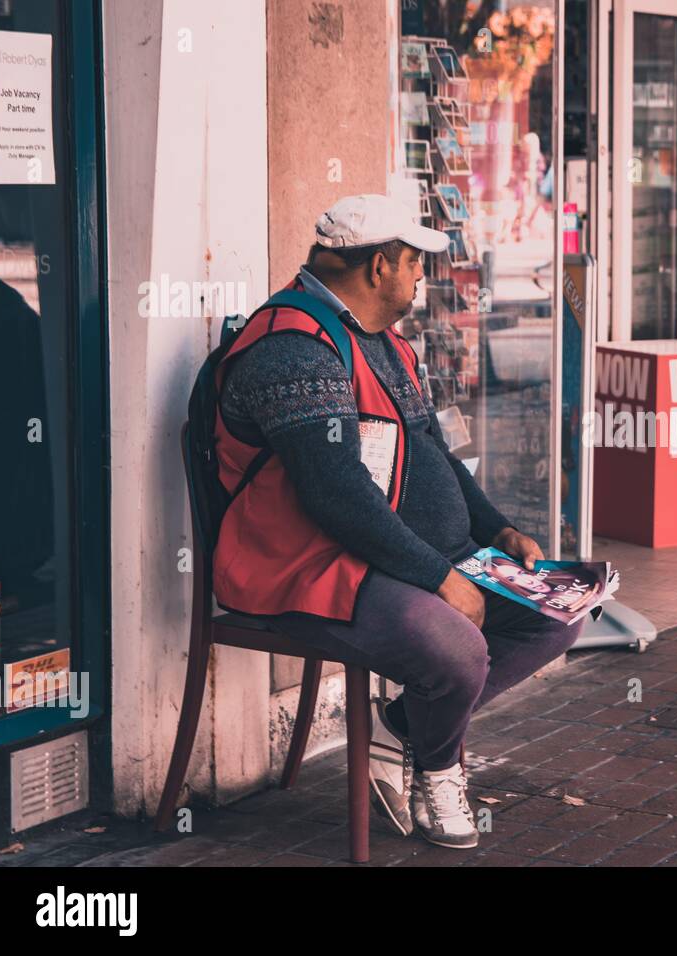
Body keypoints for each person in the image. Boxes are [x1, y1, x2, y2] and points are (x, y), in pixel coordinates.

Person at [212, 194, 583, 849]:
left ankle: (401, 728)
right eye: (415, 263)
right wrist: (440, 578)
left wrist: (497, 530)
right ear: (380, 265)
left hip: (406, 555)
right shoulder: (293, 346)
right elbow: (335, 495)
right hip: (309, 565)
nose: (422, 278)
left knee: (559, 611)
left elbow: (437, 453)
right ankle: (438, 766)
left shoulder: (392, 347)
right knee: (456, 650)